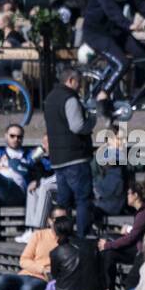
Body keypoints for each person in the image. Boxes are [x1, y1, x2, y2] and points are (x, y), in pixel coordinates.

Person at [42, 66, 97, 237]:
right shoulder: (70, 98)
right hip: (75, 158)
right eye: (78, 82)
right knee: (83, 200)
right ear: (70, 81)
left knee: (64, 202)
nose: (80, 87)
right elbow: (77, 126)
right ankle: (82, 237)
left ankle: (62, 236)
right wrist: (92, 120)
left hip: (58, 159)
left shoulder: (50, 99)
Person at [97, 176, 145, 290]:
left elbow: (131, 238)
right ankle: (109, 289)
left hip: (144, 252)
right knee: (108, 243)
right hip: (141, 247)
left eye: (129, 193)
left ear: (136, 196)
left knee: (108, 251)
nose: (127, 196)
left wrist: (108, 245)